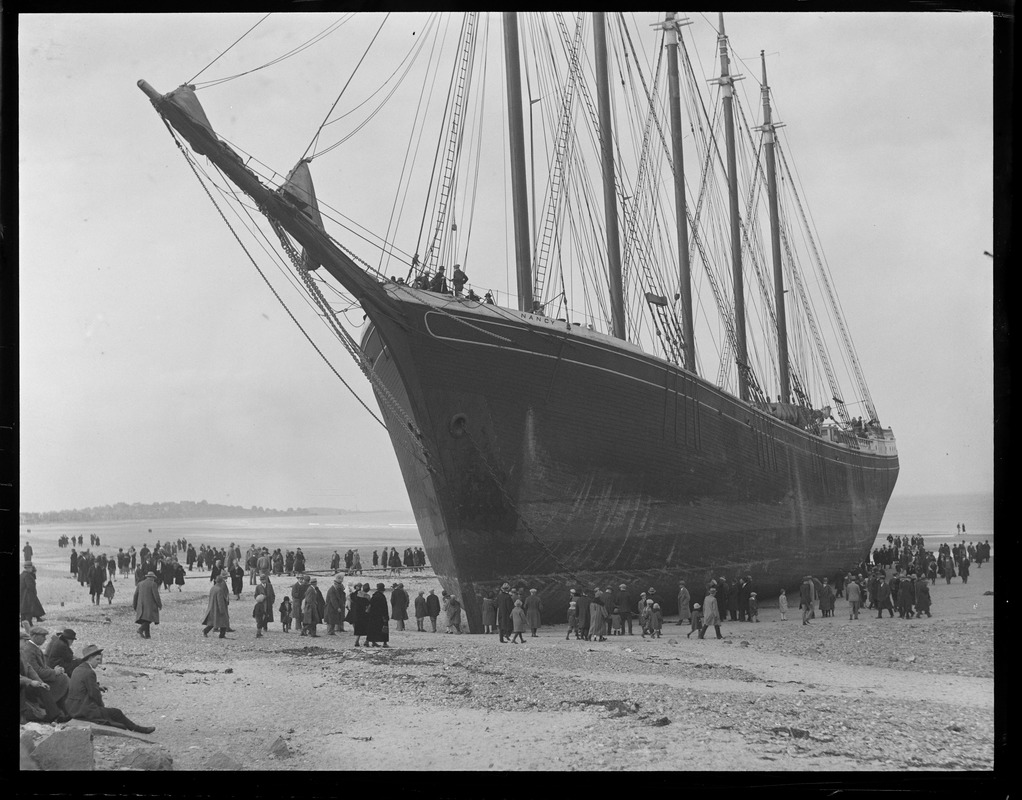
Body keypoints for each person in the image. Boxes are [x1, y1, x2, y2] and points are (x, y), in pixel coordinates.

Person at [67, 645, 155, 734]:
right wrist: (101, 707)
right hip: (84, 710)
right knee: (116, 713)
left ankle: (132, 727)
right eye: (97, 660)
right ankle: (137, 729)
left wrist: (97, 687)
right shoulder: (89, 672)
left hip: (73, 708)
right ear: (90, 658)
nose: (99, 663)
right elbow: (94, 694)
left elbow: (81, 687)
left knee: (112, 715)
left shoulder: (77, 669)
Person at [22, 626, 70, 715]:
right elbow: (35, 671)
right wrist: (54, 672)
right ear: (35, 636)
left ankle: (62, 709)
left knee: (63, 678)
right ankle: (60, 710)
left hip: (37, 679)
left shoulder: (34, 647)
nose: (45, 639)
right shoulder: (29, 650)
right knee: (64, 680)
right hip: (30, 682)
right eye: (43, 636)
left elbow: (43, 666)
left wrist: (55, 670)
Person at [132, 571, 163, 639]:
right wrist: (159, 605)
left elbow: (135, 595)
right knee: (149, 619)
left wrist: (134, 605)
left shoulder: (140, 584)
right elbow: (156, 596)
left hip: (140, 604)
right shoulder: (153, 584)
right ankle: (141, 629)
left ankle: (147, 635)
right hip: (149, 605)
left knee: (145, 619)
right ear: (152, 578)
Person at [367, 582, 390, 647]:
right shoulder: (382, 597)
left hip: (373, 615)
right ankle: (384, 643)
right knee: (384, 629)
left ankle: (372, 641)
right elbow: (384, 607)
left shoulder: (374, 596)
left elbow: (370, 605)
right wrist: (386, 616)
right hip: (381, 616)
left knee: (373, 629)